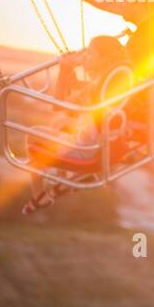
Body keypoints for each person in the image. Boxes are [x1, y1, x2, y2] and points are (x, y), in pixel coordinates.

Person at [21, 35, 130, 213]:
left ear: (104, 59)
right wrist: (72, 69)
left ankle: (39, 195)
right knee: (60, 122)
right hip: (97, 142)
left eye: (90, 55)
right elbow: (76, 93)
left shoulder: (96, 88)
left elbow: (57, 104)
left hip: (85, 149)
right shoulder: (110, 84)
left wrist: (64, 70)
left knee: (33, 134)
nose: (86, 58)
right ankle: (62, 181)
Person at [45, 0, 154, 79]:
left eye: (125, 1)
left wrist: (80, 61)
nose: (121, 5)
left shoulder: (142, 39)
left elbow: (119, 75)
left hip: (143, 98)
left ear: (139, 5)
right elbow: (108, 3)